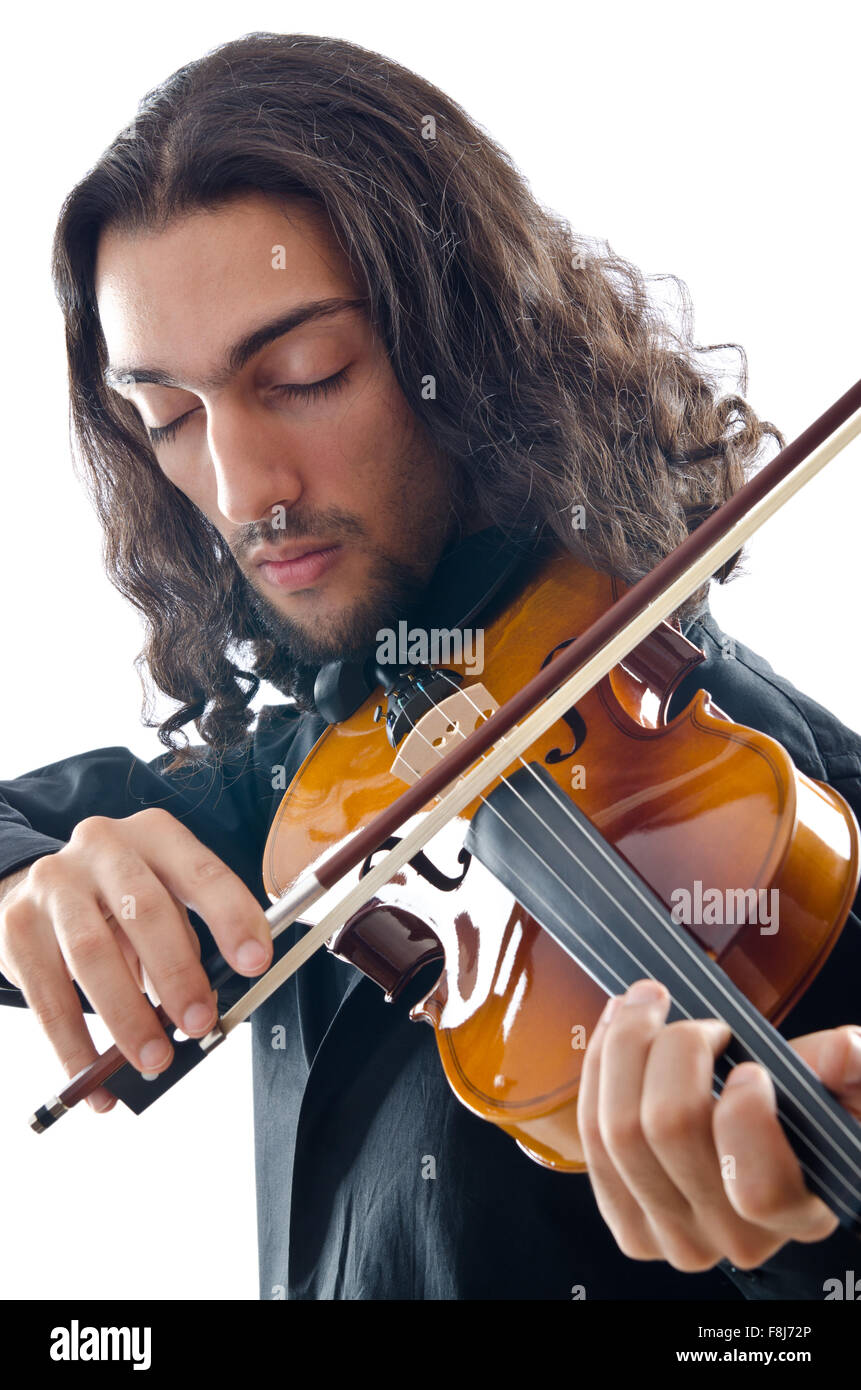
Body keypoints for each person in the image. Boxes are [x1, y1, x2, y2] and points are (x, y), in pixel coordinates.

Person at [0, 32, 859, 1301]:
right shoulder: (317, 778)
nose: (241, 494)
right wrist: (31, 882)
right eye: (168, 415)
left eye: (303, 375)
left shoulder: (781, 815)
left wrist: (811, 1263)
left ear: (469, 343)